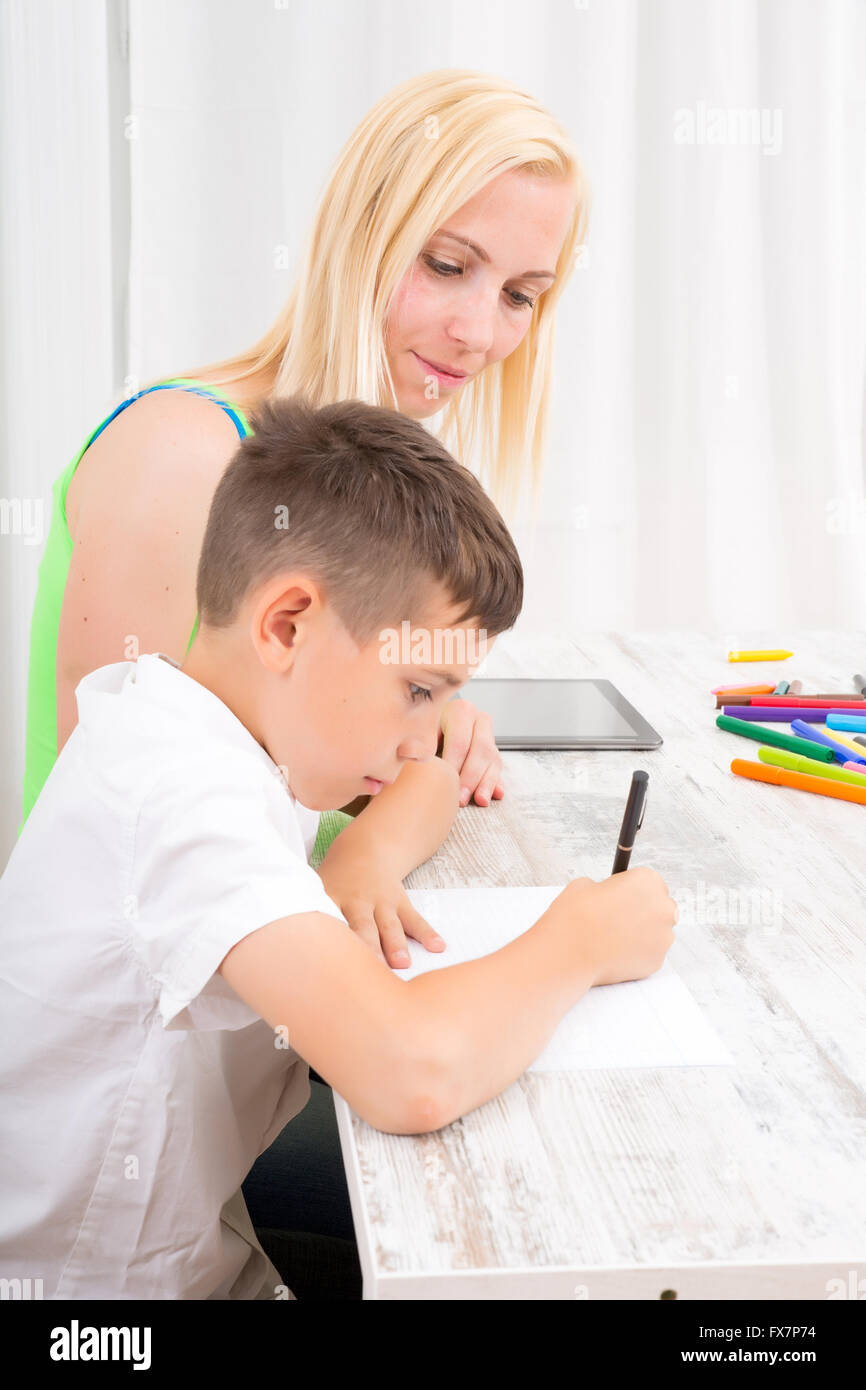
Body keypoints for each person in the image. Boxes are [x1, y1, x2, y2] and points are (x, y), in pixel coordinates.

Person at [17, 67, 591, 1296]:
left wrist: (400, 753)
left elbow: (333, 771)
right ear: (361, 231)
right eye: (446, 263)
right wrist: (559, 924)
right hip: (154, 1124)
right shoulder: (190, 459)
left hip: (231, 1080)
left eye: (519, 294)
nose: (478, 332)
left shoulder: (349, 498)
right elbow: (152, 822)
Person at [0, 395, 677, 1299]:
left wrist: (362, 859)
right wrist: (581, 941)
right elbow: (413, 1073)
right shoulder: (181, 799)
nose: (426, 734)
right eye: (418, 690)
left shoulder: (206, 721)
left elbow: (423, 779)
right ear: (287, 624)